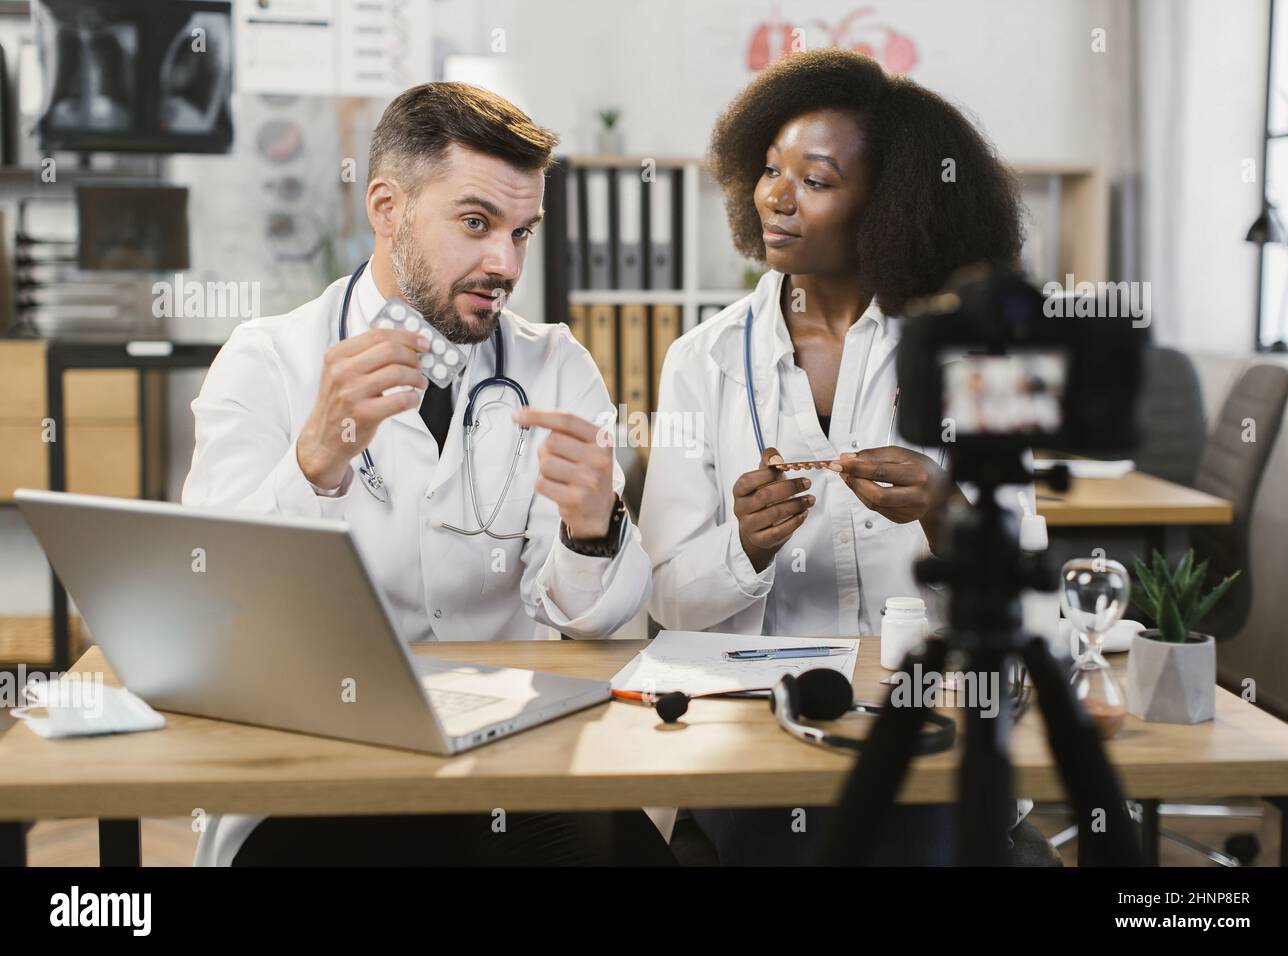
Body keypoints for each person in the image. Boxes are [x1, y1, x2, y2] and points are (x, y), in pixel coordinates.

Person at [182, 82, 667, 866]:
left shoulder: (554, 364)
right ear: (386, 208)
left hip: (510, 761)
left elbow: (589, 625)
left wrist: (589, 530)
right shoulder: (267, 359)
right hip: (326, 761)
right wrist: (316, 459)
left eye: (521, 232)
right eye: (475, 223)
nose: (504, 264)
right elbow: (211, 600)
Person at [639, 49, 1027, 865]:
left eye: (815, 181)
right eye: (770, 170)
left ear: (887, 206)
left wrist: (945, 514)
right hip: (753, 730)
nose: (775, 197)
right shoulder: (699, 361)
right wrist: (741, 548)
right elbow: (667, 601)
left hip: (927, 722)